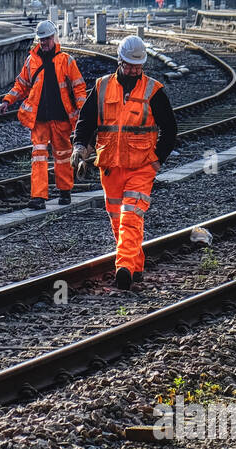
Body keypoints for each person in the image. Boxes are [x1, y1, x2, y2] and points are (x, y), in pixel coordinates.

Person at [73, 35, 177, 291]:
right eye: (129, 65)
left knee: (131, 215)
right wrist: (79, 146)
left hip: (142, 166)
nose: (132, 70)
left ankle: (124, 269)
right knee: (119, 220)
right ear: (119, 61)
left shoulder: (154, 91)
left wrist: (156, 162)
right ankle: (136, 265)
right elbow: (86, 120)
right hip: (110, 166)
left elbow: (170, 130)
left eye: (137, 66)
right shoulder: (102, 87)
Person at [0, 19, 87, 209]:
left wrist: (82, 108)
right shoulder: (31, 61)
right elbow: (21, 85)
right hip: (39, 119)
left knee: (63, 155)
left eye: (47, 39)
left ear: (53, 38)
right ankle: (38, 197)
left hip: (61, 117)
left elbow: (79, 86)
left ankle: (65, 191)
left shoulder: (66, 60)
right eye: (41, 39)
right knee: (38, 156)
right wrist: (7, 100)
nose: (44, 42)